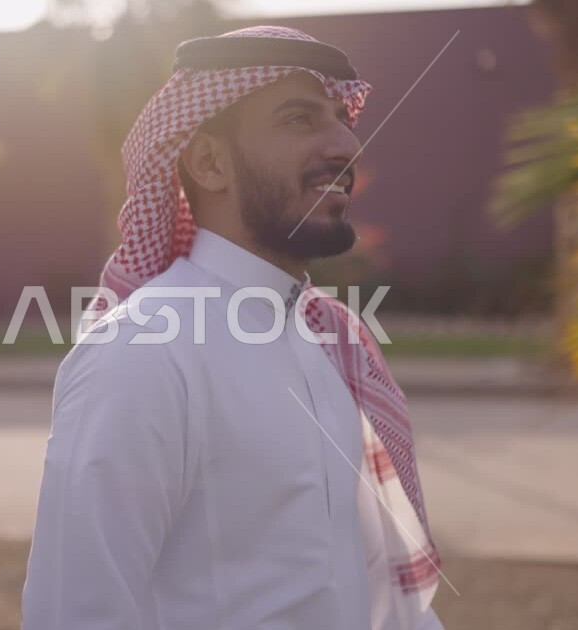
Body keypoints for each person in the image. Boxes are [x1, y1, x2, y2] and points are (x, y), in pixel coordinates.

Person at [22, 25, 444, 630]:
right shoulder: (142, 353)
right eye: (299, 119)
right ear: (210, 162)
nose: (345, 146)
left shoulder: (332, 343)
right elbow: (77, 612)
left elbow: (381, 594)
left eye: (338, 117)